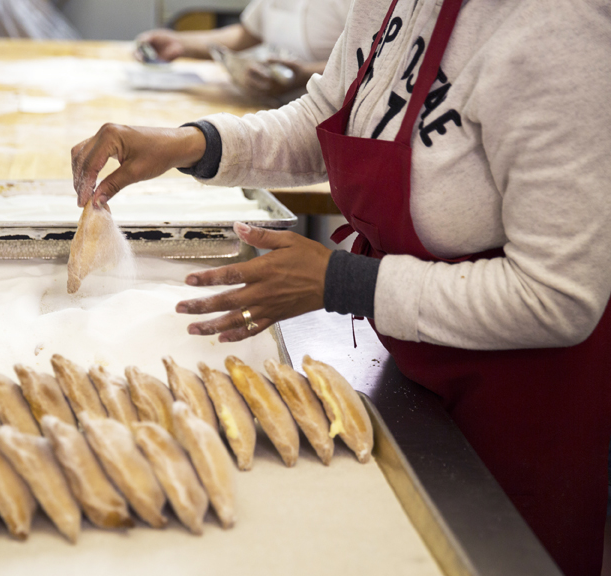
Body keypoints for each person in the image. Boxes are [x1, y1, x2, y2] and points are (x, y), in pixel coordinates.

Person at [74, 0, 611, 574]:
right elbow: (328, 115)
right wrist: (192, 142)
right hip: (412, 360)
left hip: (522, 400)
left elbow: (557, 295)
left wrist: (344, 281)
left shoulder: (559, 29)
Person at [135, 0, 351, 99]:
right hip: (278, 110)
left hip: (331, 121)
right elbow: (248, 33)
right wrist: (179, 43)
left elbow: (366, 64)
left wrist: (304, 75)